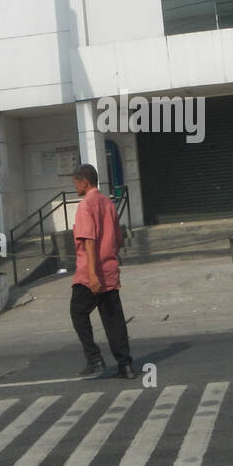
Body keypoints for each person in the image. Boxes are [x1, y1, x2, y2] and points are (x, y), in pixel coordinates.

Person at [69, 163, 135, 380]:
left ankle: (94, 358)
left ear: (84, 182)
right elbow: (117, 238)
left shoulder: (86, 206)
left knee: (78, 313)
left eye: (76, 182)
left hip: (91, 273)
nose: (75, 186)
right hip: (109, 269)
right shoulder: (108, 204)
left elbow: (89, 241)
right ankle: (125, 365)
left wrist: (93, 275)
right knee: (113, 319)